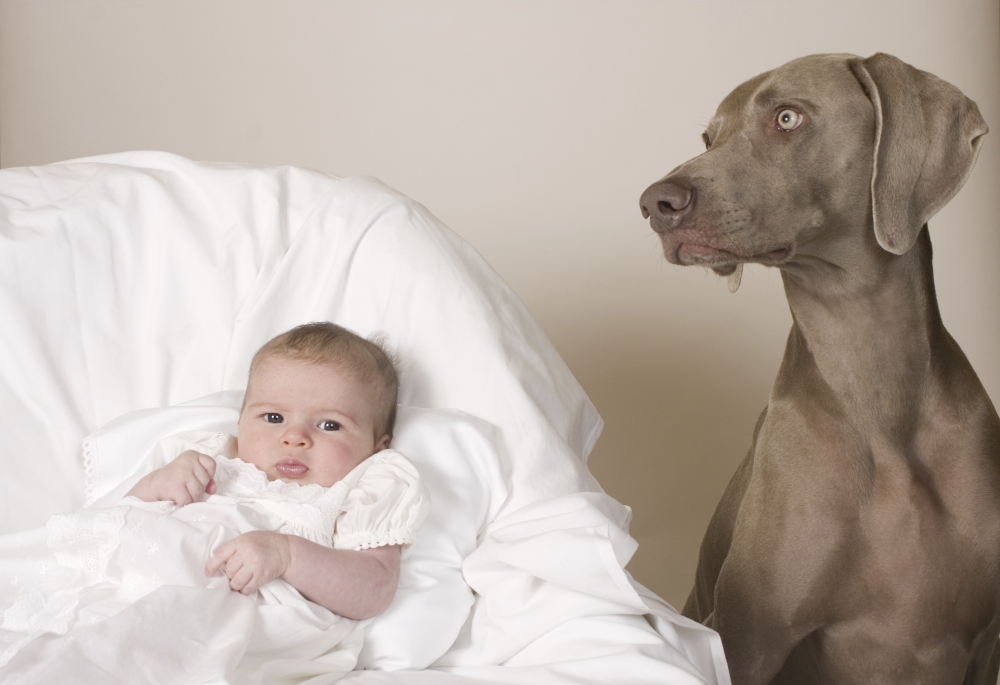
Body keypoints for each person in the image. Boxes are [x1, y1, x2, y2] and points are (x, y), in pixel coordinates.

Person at [0, 322, 430, 683]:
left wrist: (286, 554)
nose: (295, 436)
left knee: (120, 647)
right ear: (241, 421)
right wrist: (159, 483)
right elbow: (109, 519)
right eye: (273, 417)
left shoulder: (366, 485)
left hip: (214, 605)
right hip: (121, 579)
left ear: (378, 445)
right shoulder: (213, 457)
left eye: (329, 424)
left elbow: (373, 588)